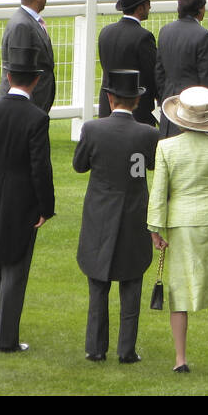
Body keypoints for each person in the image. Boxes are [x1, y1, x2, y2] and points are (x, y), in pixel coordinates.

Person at [148, 87, 208, 373]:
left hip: (180, 222)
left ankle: (181, 359)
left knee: (179, 290)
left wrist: (155, 227)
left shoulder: (166, 147)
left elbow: (159, 191)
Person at [74, 68, 161, 363]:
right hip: (135, 213)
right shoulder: (148, 133)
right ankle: (127, 350)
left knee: (98, 282)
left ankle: (95, 348)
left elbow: (79, 166)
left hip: (99, 213)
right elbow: (151, 166)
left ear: (110, 98)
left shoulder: (93, 129)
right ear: (136, 101)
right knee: (132, 280)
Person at [0, 41, 55, 352]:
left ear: (8, 77)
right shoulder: (36, 118)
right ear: (35, 80)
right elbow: (40, 168)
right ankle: (6, 339)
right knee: (15, 269)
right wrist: (46, 207)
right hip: (22, 199)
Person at [156, 0, 208, 136]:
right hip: (193, 111)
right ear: (200, 9)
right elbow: (207, 80)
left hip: (168, 106)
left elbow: (159, 73)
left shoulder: (164, 31)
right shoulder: (203, 36)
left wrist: (165, 100)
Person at [97, 0, 159, 125]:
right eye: (147, 3)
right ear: (140, 7)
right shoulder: (143, 37)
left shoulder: (105, 32)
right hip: (136, 112)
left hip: (107, 108)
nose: (150, 6)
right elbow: (152, 75)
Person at [0, 0, 55, 113]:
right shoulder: (22, 25)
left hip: (34, 103)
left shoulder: (27, 21)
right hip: (27, 105)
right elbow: (20, 72)